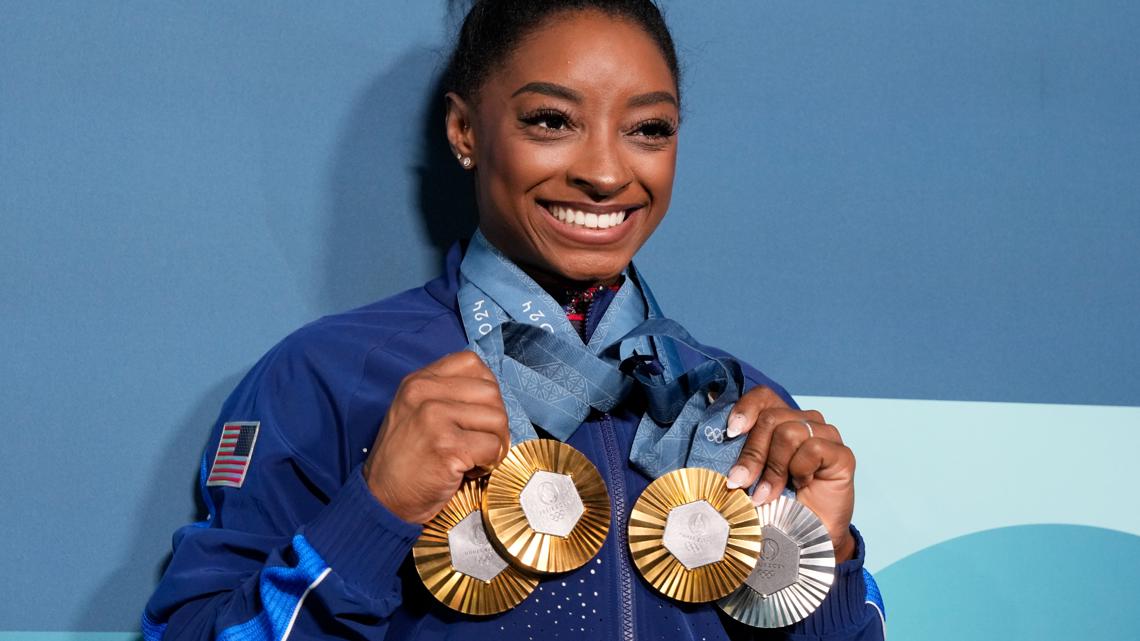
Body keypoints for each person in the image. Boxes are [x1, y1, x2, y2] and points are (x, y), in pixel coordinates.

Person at [143, 1, 885, 639]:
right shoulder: (328, 376)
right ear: (465, 131)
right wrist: (374, 511)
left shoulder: (736, 405)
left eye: (649, 129)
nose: (605, 173)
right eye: (552, 121)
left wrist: (825, 556)